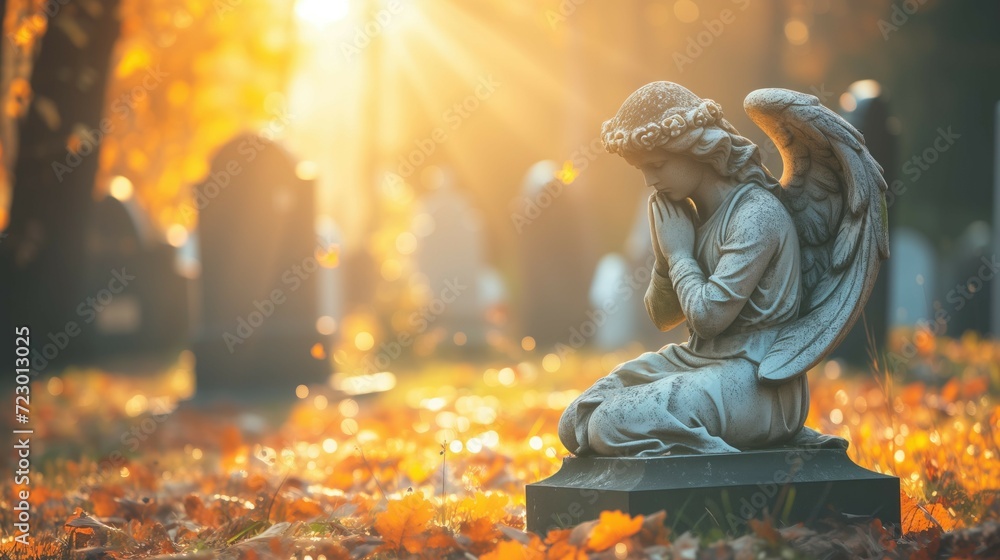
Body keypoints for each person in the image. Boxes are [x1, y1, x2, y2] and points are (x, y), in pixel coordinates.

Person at [558, 81, 810, 456]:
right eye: (641, 169)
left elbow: (708, 318)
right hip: (701, 361)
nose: (648, 180)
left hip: (758, 382)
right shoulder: (692, 213)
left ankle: (720, 468)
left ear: (697, 149)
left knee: (608, 422)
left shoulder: (756, 214)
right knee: (576, 420)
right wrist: (666, 253)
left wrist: (679, 254)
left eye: (656, 165)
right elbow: (663, 317)